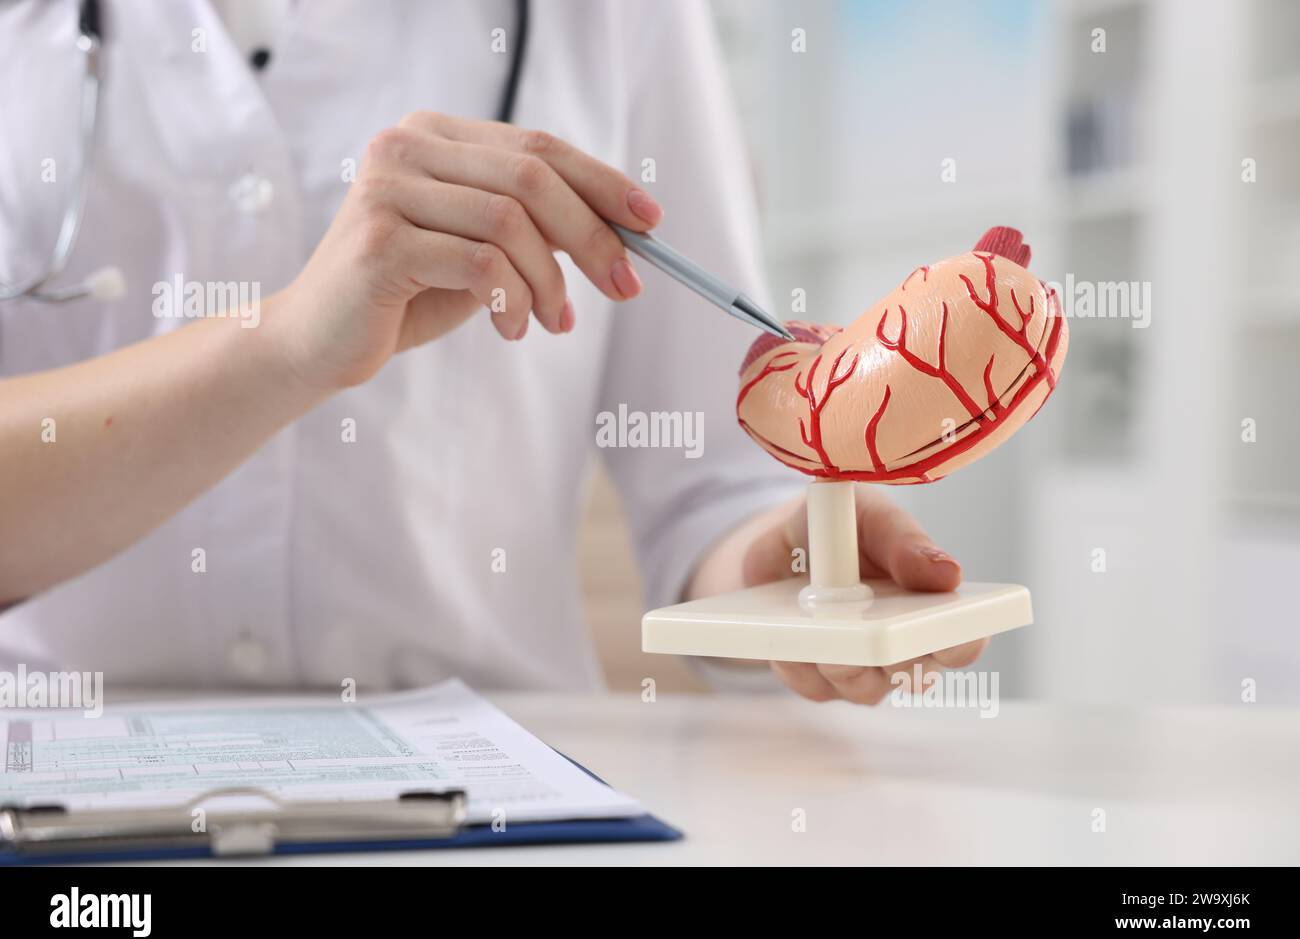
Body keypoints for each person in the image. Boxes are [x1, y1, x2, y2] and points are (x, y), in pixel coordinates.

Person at [0, 0, 985, 703]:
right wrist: (291, 346)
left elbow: (711, 488)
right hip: (66, 775)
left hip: (498, 785)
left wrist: (785, 575)